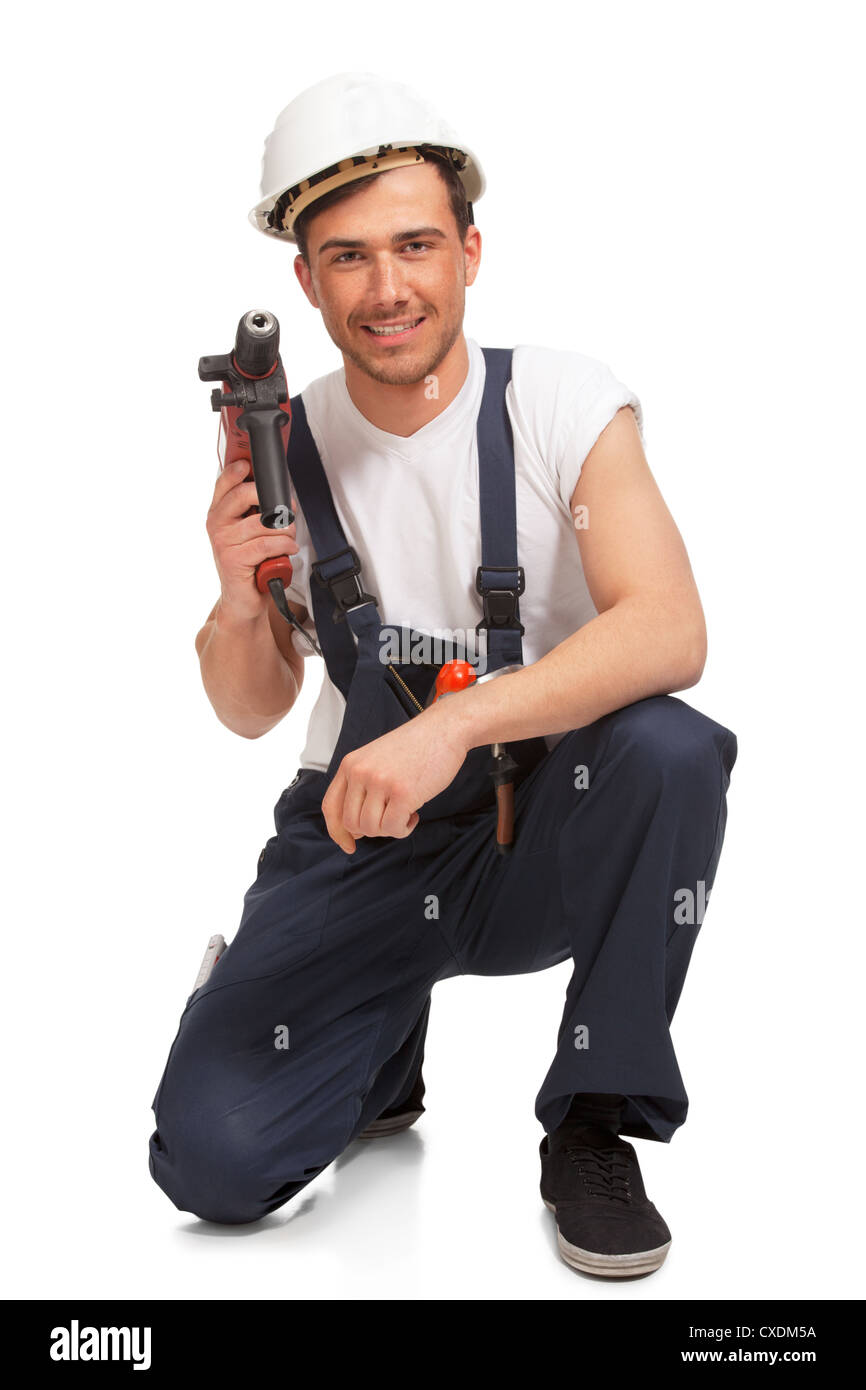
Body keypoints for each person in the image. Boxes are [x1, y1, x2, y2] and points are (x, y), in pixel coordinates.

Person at [149, 72, 738, 1279]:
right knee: (210, 1164)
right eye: (348, 257)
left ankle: (591, 1118)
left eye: (415, 244)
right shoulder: (284, 445)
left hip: (546, 825)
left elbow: (669, 628)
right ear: (304, 281)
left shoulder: (562, 401)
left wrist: (449, 727)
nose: (388, 287)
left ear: (468, 250)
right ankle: (375, 1048)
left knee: (669, 748)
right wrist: (233, 594)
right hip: (359, 837)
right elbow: (251, 709)